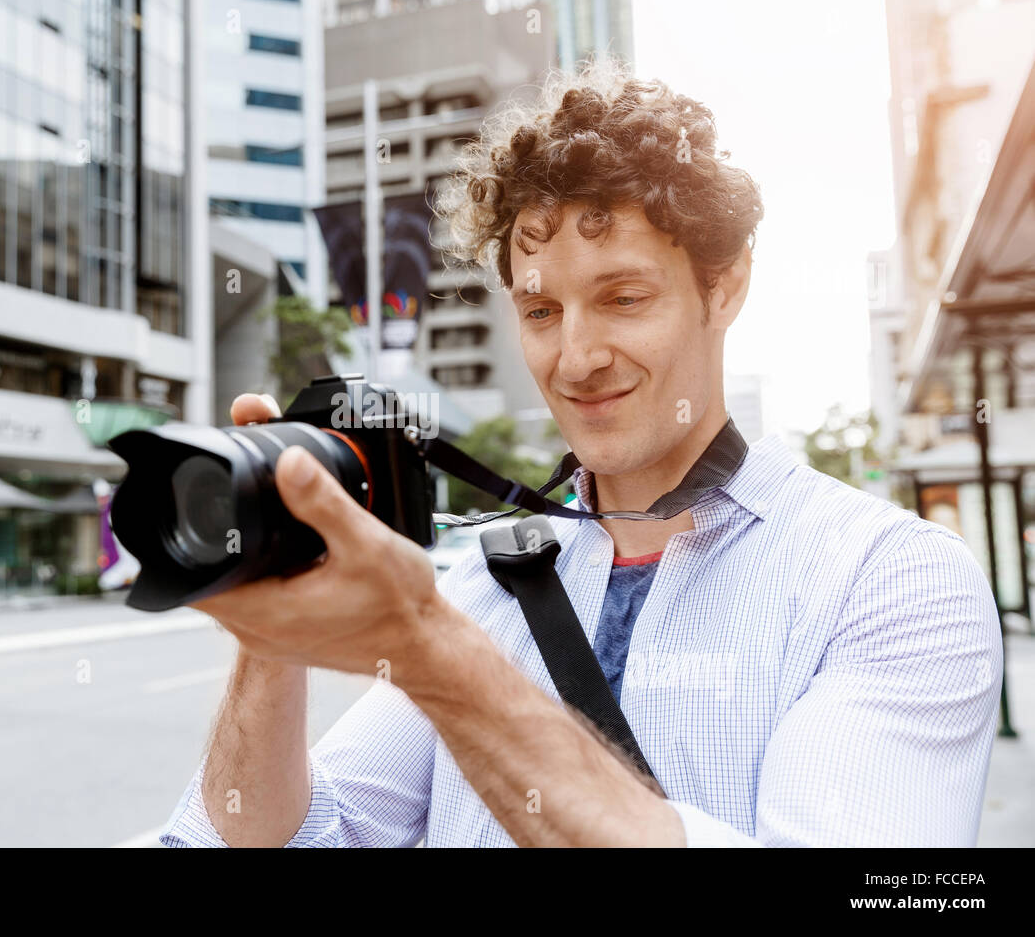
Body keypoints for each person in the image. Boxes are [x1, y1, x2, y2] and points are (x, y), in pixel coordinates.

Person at [160, 60, 1002, 847]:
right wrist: (268, 600)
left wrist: (426, 649)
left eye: (623, 298)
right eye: (540, 313)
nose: (577, 357)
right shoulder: (478, 588)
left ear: (727, 284)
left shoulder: (889, 580)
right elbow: (289, 836)